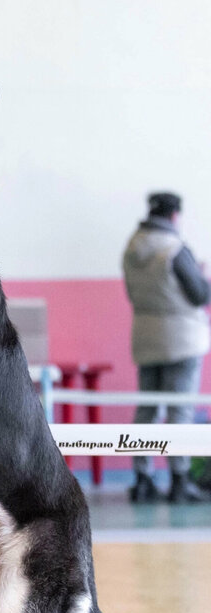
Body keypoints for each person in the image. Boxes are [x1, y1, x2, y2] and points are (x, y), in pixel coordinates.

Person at [122, 191, 211, 503]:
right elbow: (200, 294)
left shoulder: (132, 248)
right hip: (183, 339)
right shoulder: (175, 249)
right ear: (175, 216)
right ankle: (179, 479)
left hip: (146, 336)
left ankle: (142, 478)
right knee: (179, 410)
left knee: (147, 408)